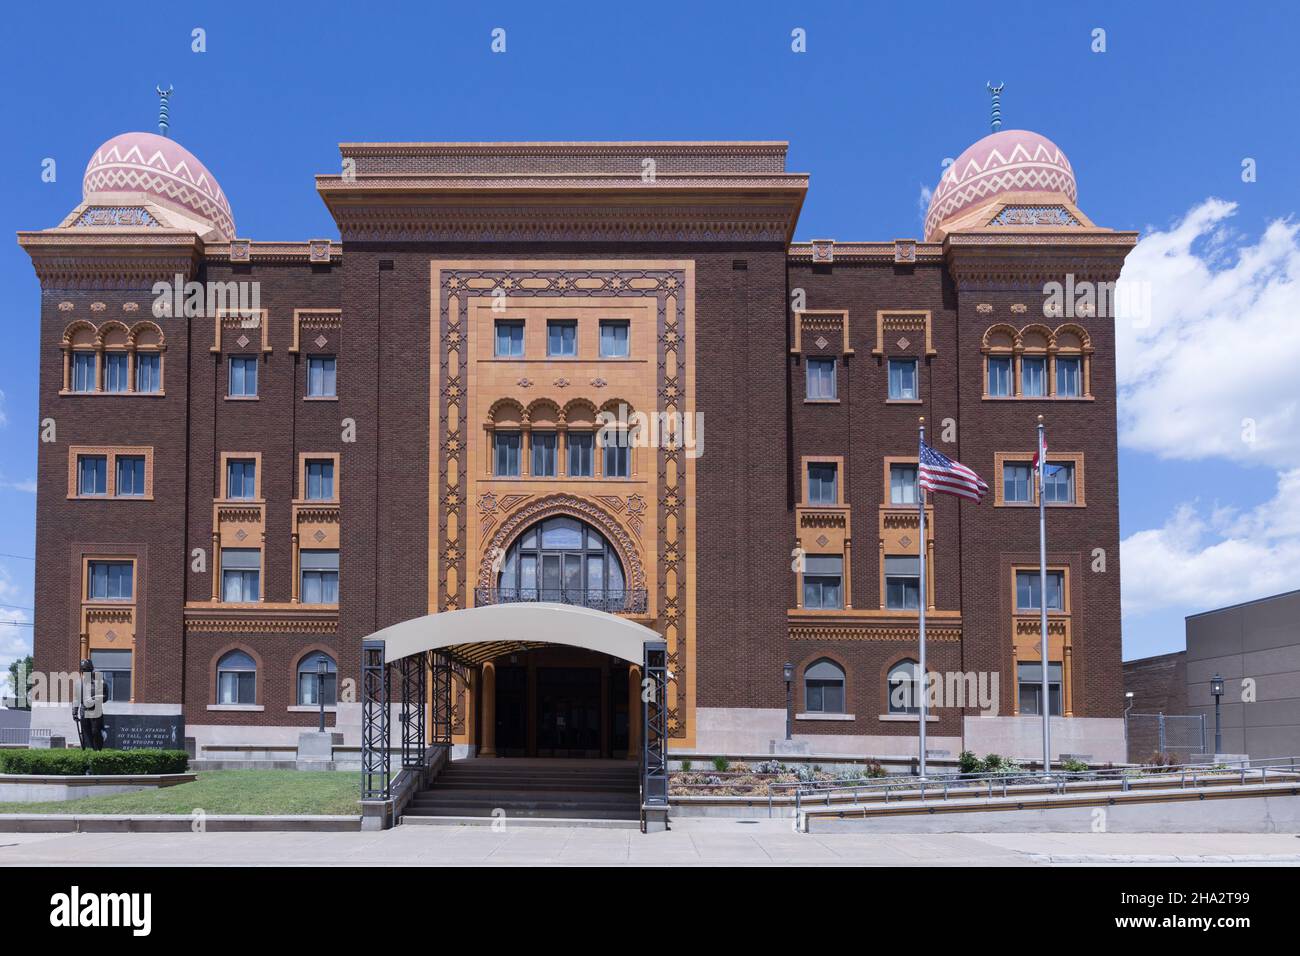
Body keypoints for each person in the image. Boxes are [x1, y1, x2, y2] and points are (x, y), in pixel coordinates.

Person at [73, 659, 106, 751]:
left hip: (95, 710)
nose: (85, 672)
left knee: (95, 732)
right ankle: (93, 749)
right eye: (83, 670)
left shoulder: (98, 681)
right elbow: (76, 698)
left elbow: (105, 696)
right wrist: (74, 712)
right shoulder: (79, 683)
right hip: (84, 710)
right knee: (87, 733)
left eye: (87, 670)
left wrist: (96, 699)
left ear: (91, 670)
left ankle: (98, 750)